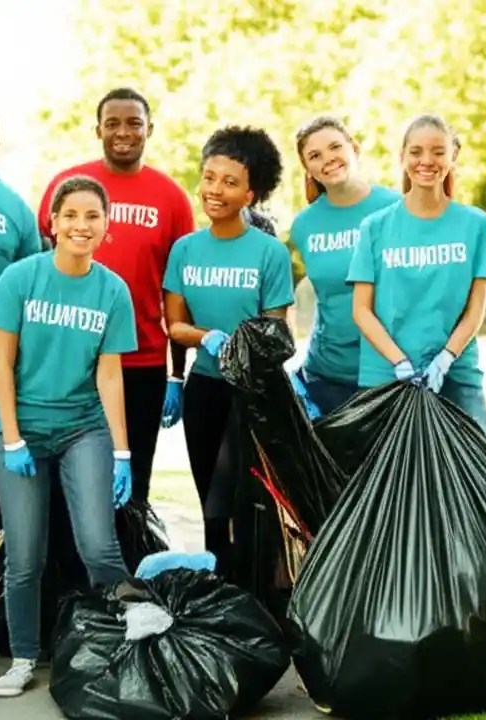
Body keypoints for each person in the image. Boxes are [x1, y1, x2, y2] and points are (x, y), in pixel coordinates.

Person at [0, 175, 135, 698]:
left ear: (106, 225)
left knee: (98, 543)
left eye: (92, 216)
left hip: (82, 428)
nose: (81, 225)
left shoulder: (112, 289)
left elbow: (109, 373)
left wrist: (121, 451)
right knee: (24, 555)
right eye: (70, 214)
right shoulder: (19, 280)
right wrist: (10, 437)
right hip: (21, 428)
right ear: (52, 222)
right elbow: (1, 365)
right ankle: (24, 657)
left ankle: (128, 641)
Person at [36, 87, 195, 506]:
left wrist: (175, 376)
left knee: (131, 485)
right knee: (65, 482)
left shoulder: (172, 198)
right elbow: (41, 274)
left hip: (139, 363)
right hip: (71, 362)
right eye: (113, 124)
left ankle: (124, 569)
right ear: (98, 130)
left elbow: (175, 295)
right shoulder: (67, 186)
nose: (123, 132)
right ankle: (66, 572)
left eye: (134, 123)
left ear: (150, 130)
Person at [162, 125, 295, 579]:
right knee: (210, 508)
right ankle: (223, 604)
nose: (215, 190)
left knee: (243, 504)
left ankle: (257, 600)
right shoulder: (184, 250)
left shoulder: (269, 253)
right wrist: (204, 340)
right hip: (205, 391)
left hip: (252, 396)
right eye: (210, 177)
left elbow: (277, 333)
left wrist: (245, 349)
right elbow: (174, 325)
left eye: (230, 182)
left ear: (250, 193)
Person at [347, 113, 486, 435]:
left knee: (472, 480)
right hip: (385, 378)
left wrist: (446, 358)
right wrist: (399, 363)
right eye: (416, 151)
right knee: (392, 483)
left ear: (453, 156)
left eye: (438, 151)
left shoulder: (475, 224)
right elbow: (361, 310)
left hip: (456, 376)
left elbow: (476, 308)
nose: (427, 161)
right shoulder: (375, 228)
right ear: (403, 156)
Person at [289, 115, 402, 414]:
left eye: (335, 147)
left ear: (355, 148)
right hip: (327, 378)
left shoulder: (396, 208)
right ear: (308, 169)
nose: (327, 159)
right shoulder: (303, 226)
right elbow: (280, 291)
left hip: (391, 373)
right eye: (315, 156)